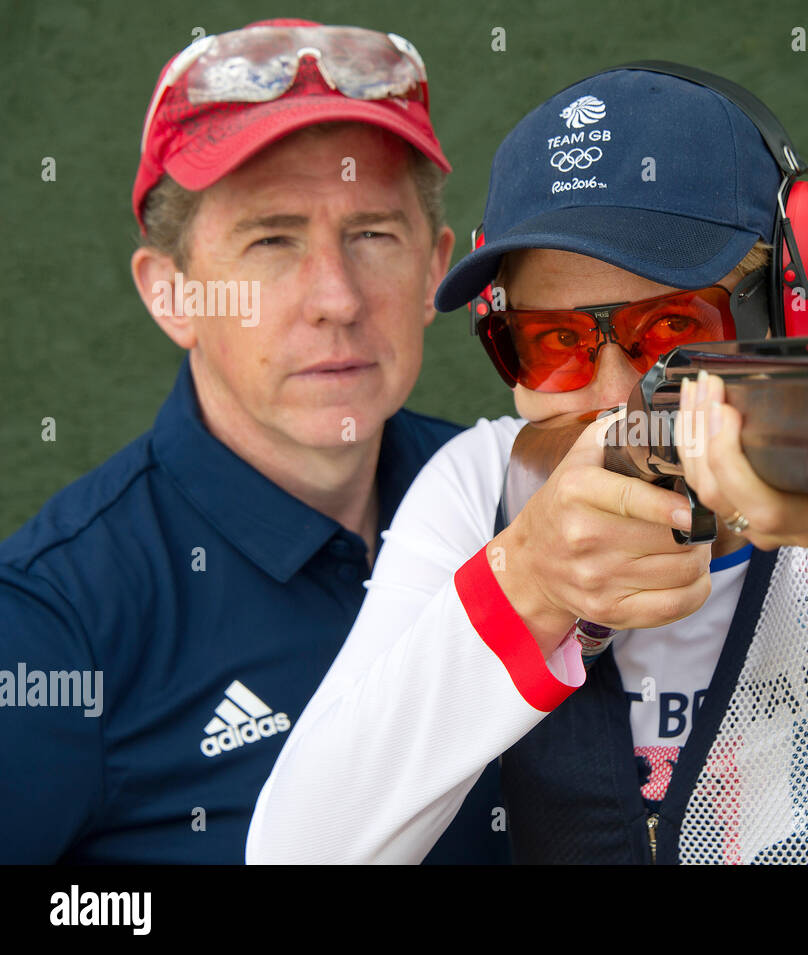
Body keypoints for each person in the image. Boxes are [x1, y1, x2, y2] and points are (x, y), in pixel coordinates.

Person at [247, 63, 808, 864]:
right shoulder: (481, 484)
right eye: (557, 341)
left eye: (673, 330)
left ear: (792, 302)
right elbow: (297, 848)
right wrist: (526, 583)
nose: (615, 394)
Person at [0, 19, 506, 863]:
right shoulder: (55, 623)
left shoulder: (515, 510)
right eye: (272, 241)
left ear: (434, 271)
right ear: (171, 294)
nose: (337, 298)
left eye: (374, 235)